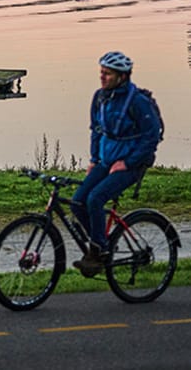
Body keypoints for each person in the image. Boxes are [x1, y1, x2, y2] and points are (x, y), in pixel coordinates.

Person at [70, 51, 162, 277]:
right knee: (77, 202)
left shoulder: (138, 102)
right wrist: (94, 159)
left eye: (107, 74)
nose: (102, 77)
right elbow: (96, 130)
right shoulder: (100, 97)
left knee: (96, 198)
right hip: (106, 160)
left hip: (131, 165)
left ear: (121, 76)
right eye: (101, 72)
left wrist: (128, 162)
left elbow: (151, 137)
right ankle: (102, 242)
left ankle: (98, 251)